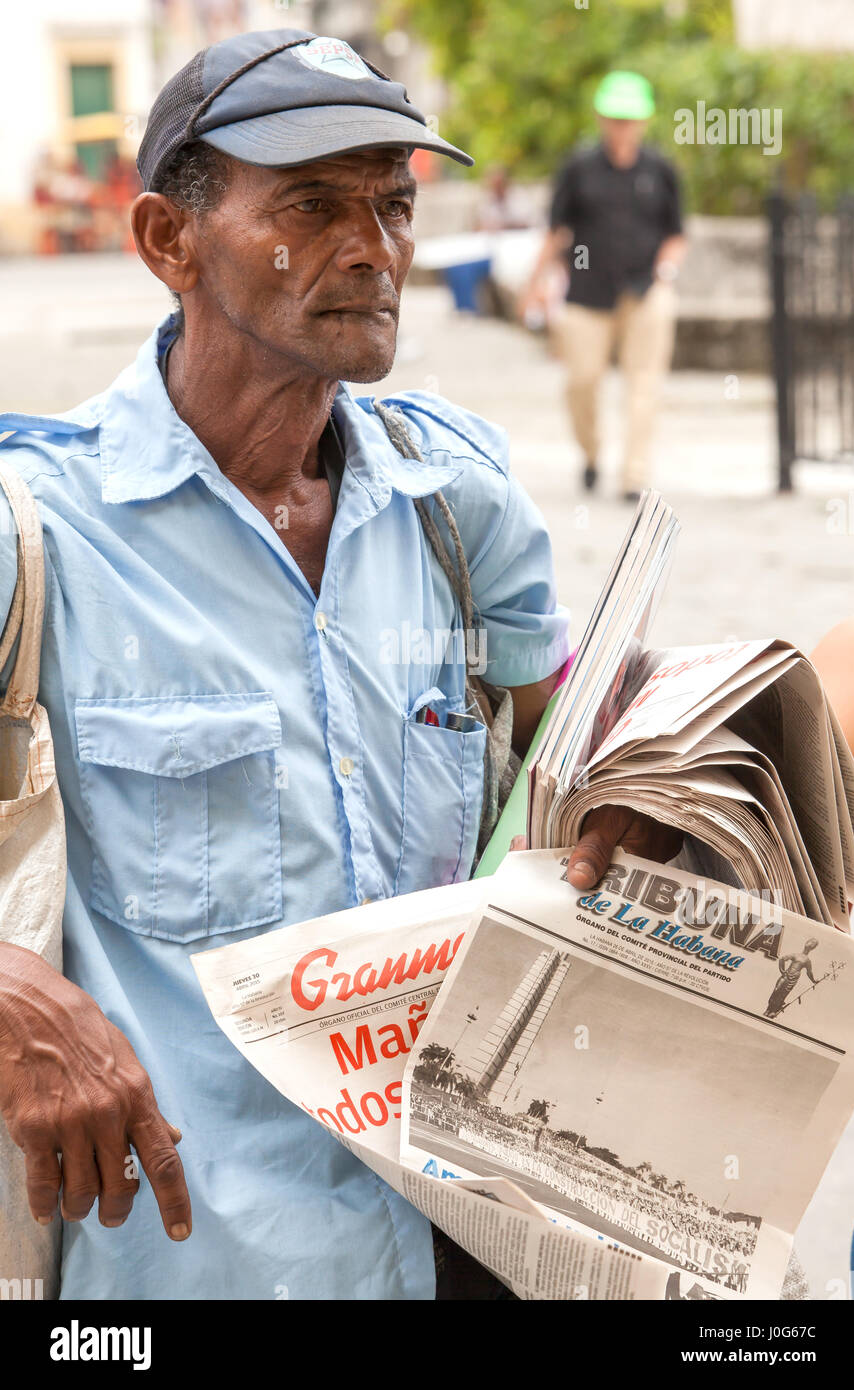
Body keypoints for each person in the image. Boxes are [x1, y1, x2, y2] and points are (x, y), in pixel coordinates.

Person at [0, 28, 669, 1301]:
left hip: (463, 1247)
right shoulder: (36, 529)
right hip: (183, 1270)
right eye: (310, 205)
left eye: (393, 204)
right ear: (166, 242)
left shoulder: (455, 502)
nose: (375, 249)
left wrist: (640, 793)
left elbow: (565, 757)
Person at [522, 71, 687, 500]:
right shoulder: (578, 169)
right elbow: (557, 231)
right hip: (586, 290)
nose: (622, 127)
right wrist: (536, 283)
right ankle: (592, 453)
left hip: (646, 289)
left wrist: (665, 272)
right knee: (582, 380)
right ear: (601, 118)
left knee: (644, 383)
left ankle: (634, 475)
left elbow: (676, 234)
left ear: (644, 121)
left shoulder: (661, 170)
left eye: (630, 118)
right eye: (615, 118)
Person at [763, 939, 818, 1019]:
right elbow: (782, 959)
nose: (810, 944)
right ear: (805, 943)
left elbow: (809, 972)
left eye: (813, 944)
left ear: (813, 948)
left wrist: (813, 980)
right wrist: (782, 970)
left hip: (794, 978)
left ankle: (773, 1011)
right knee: (777, 989)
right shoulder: (796, 955)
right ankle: (768, 1009)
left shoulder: (807, 960)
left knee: (783, 994)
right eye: (810, 942)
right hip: (786, 975)